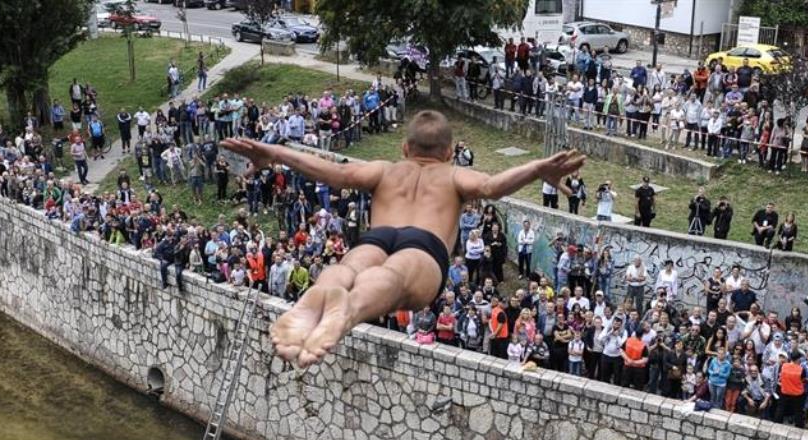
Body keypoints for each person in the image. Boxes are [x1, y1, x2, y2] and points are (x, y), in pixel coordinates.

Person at [223, 111, 585, 366]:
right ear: (449, 150)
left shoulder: (386, 170)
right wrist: (537, 168)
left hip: (377, 235)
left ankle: (322, 294)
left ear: (404, 148)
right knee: (393, 277)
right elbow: (492, 187)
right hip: (424, 245)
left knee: (350, 268)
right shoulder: (454, 175)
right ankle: (345, 311)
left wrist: (275, 152)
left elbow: (336, 173)